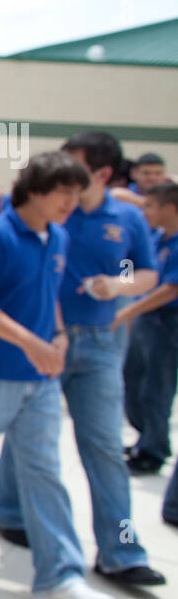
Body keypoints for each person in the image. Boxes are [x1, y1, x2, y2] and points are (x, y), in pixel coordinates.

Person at [0, 151, 115, 599]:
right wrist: (30, 342)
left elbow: (50, 297)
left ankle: (60, 574)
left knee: (44, 469)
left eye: (77, 193)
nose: (71, 202)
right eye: (63, 192)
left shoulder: (57, 238)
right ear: (34, 191)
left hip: (39, 380)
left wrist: (55, 336)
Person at [0, 132, 165, 587]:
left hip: (101, 344)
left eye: (73, 164)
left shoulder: (127, 219)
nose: (60, 171)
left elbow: (145, 272)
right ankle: (6, 510)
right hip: (43, 338)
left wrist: (118, 287)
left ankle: (121, 551)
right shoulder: (40, 211)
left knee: (104, 444)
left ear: (102, 174)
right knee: (27, 431)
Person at [116, 183, 178, 476]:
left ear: (169, 208)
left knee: (157, 387)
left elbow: (170, 289)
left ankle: (153, 450)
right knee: (133, 379)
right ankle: (146, 437)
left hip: (167, 323)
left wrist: (128, 310)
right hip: (146, 319)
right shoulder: (156, 237)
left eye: (150, 206)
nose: (145, 212)